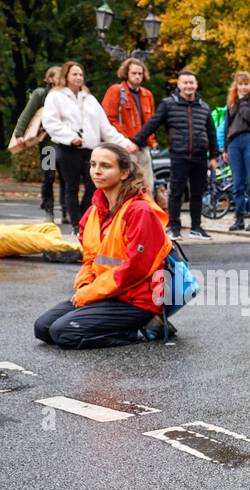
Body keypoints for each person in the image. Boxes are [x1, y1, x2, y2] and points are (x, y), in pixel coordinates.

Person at [34, 143, 172, 349]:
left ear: (124, 173)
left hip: (136, 300)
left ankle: (141, 330)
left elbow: (135, 269)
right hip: (106, 293)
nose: (96, 171)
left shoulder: (140, 211)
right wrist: (84, 287)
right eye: (93, 164)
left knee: (63, 333)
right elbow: (90, 258)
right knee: (43, 328)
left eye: (105, 166)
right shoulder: (94, 212)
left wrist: (90, 294)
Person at [41, 62, 137, 229]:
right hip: (67, 148)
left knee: (93, 187)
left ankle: (85, 221)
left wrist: (125, 143)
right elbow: (50, 122)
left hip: (90, 150)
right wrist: (70, 137)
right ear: (66, 76)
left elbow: (105, 127)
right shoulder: (55, 96)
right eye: (74, 74)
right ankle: (77, 226)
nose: (78, 77)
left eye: (80, 74)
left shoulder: (90, 99)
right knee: (71, 188)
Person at [133, 69, 220, 240]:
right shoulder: (168, 104)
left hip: (200, 156)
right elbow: (153, 123)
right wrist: (136, 141)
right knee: (176, 192)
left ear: (196, 85)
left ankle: (196, 227)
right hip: (179, 155)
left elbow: (211, 133)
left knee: (197, 192)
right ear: (179, 85)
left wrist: (214, 156)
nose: (188, 86)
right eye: (185, 82)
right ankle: (174, 227)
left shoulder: (204, 106)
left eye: (191, 82)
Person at [12, 67, 63, 223]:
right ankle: (48, 209)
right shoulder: (41, 94)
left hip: (64, 143)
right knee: (48, 176)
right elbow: (27, 113)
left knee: (67, 177)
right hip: (47, 143)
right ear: (50, 79)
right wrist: (19, 135)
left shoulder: (67, 95)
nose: (62, 78)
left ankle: (67, 211)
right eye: (58, 76)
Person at [101, 58, 157, 196]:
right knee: (127, 186)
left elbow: (151, 121)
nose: (138, 76)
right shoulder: (116, 91)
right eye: (134, 73)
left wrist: (151, 140)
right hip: (125, 146)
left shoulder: (147, 94)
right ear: (126, 73)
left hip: (143, 146)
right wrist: (125, 140)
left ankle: (146, 214)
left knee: (147, 185)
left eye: (140, 73)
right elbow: (108, 119)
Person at [224, 71, 250, 231]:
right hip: (234, 142)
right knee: (237, 183)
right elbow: (227, 125)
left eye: (246, 84)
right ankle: (239, 217)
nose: (243, 87)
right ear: (236, 85)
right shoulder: (231, 103)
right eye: (240, 84)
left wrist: (242, 102)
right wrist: (225, 148)